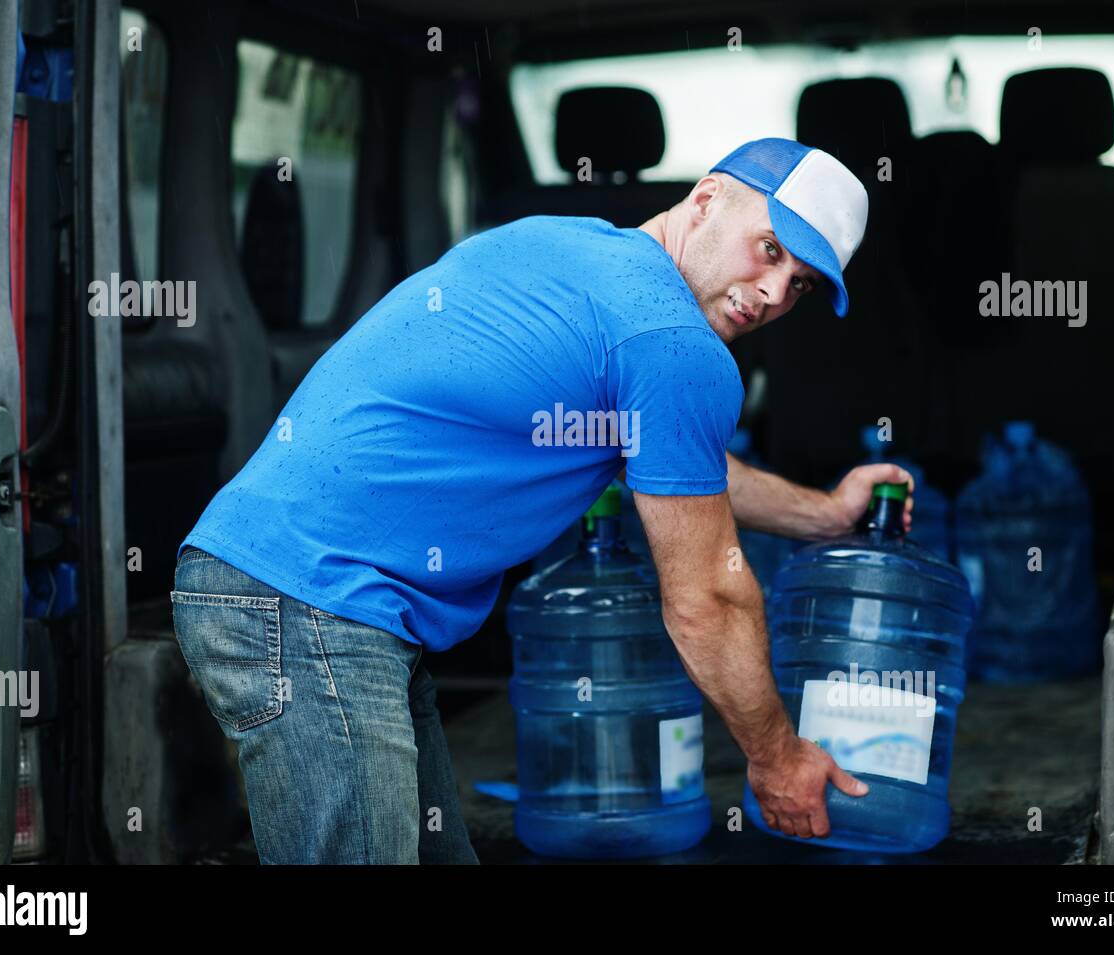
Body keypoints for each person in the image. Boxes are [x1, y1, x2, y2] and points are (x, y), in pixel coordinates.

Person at [171, 137, 914, 863]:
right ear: (707, 198)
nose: (775, 293)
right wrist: (777, 756)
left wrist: (824, 514)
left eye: (803, 285)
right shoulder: (673, 343)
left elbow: (680, 469)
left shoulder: (569, 250)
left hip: (309, 593)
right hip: (313, 602)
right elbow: (708, 600)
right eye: (772, 250)